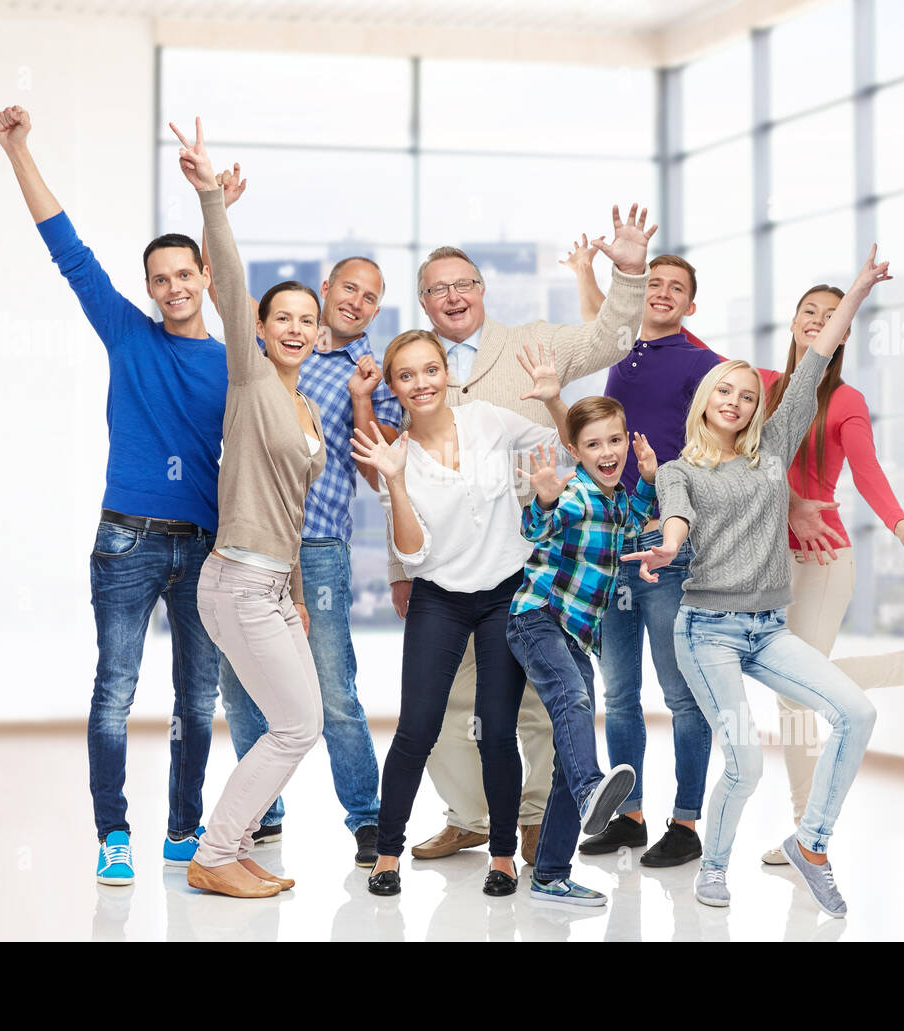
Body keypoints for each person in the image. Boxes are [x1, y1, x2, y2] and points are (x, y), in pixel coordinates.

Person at [575, 257, 904, 869]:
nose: (733, 400)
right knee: (772, 705)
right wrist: (605, 284)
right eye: (810, 310)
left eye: (831, 318)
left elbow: (861, 461)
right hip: (736, 574)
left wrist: (899, 526)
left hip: (814, 558)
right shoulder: (732, 410)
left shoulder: (815, 412)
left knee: (793, 697)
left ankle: (799, 832)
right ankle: (725, 836)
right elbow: (665, 340)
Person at [626, 245, 894, 918]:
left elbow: (812, 365)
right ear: (706, 399)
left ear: (758, 407)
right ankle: (713, 866)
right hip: (709, 631)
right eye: (726, 390)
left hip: (767, 630)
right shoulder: (679, 471)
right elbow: (678, 518)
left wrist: (858, 289)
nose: (737, 401)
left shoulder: (773, 447)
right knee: (745, 762)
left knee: (856, 712)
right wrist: (666, 547)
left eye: (748, 396)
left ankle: (811, 843)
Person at [0, 104, 224, 886]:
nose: (172, 288)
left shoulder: (235, 363)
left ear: (203, 280)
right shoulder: (128, 334)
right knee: (114, 694)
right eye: (159, 279)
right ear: (149, 288)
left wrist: (212, 201)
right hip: (126, 539)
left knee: (198, 702)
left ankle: (183, 830)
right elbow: (67, 248)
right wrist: (18, 148)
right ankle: (112, 832)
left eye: (184, 274)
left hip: (203, 549)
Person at [396, 206, 657, 866]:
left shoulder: (532, 343)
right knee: (449, 704)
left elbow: (610, 340)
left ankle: (537, 816)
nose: (453, 296)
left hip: (535, 558)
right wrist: (403, 571)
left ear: (482, 289)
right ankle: (469, 815)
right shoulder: (412, 363)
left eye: (464, 284)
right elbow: (392, 467)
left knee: (539, 699)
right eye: (437, 288)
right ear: (424, 300)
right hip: (446, 569)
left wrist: (627, 272)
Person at [200, 165, 401, 868]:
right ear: (322, 293)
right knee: (248, 692)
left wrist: (364, 400)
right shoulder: (260, 361)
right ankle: (260, 814)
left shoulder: (369, 376)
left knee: (333, 690)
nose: (359, 302)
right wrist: (214, 205)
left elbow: (380, 473)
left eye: (372, 297)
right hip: (250, 553)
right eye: (350, 287)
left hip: (312, 552)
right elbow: (222, 286)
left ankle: (368, 817)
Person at [354, 330, 568, 897]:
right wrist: (396, 482)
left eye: (429, 370)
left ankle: (502, 855)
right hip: (440, 598)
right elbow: (413, 552)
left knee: (497, 731)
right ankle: (388, 854)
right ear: (394, 388)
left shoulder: (488, 422)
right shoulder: (396, 453)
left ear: (446, 373)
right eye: (406, 376)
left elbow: (570, 446)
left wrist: (551, 398)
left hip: (505, 591)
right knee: (416, 729)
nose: (420, 383)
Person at [170, 118, 325, 899]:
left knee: (303, 723)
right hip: (233, 581)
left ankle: (226, 846)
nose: (294, 328)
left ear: (318, 334)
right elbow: (228, 280)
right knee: (298, 725)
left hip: (271, 587)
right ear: (260, 330)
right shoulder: (252, 381)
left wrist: (296, 594)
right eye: (281, 318)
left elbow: (291, 512)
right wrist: (211, 201)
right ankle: (215, 851)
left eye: (307, 320)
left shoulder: (307, 413)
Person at [561, 243, 719, 868]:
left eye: (674, 287)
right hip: (609, 541)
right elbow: (609, 319)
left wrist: (675, 507)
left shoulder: (703, 364)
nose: (660, 293)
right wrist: (584, 274)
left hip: (664, 544)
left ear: (690, 303)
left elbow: (727, 438)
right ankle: (629, 818)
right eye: (653, 283)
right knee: (620, 694)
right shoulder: (626, 347)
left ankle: (685, 823)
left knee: (681, 694)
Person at [507, 372, 665, 906]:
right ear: (575, 450)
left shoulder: (619, 498)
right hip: (538, 618)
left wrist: (646, 479)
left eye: (615, 440)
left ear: (627, 440)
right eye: (593, 444)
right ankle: (591, 790)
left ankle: (551, 874)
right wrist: (544, 501)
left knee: (566, 752)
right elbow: (537, 530)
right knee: (573, 702)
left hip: (577, 636)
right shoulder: (572, 494)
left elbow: (638, 517)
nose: (607, 451)